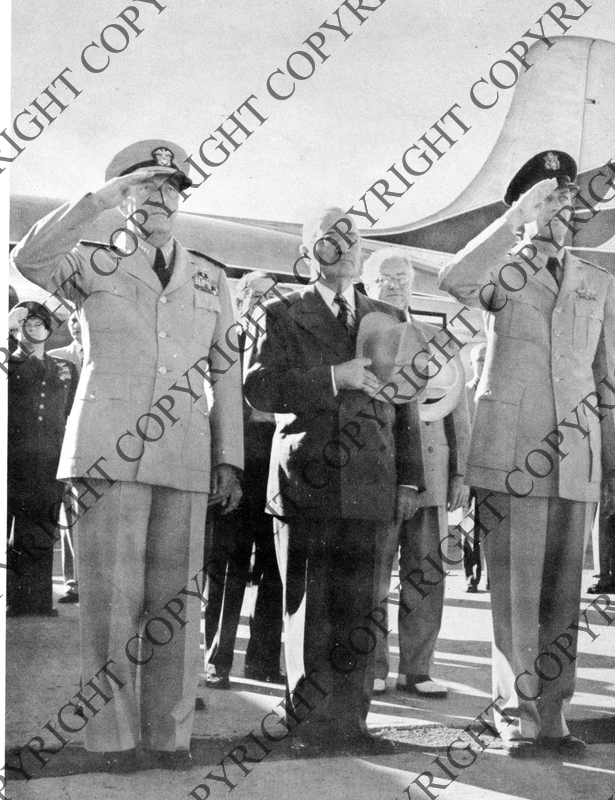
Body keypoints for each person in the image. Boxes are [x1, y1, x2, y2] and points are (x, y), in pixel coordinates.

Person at [11, 139, 244, 771]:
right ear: (121, 196)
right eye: (145, 187)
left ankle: (169, 738)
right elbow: (30, 257)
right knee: (111, 604)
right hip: (107, 453)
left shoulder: (209, 275)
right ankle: (111, 741)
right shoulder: (89, 260)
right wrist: (100, 200)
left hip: (187, 452)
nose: (161, 198)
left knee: (177, 604)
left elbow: (226, 369)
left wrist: (231, 457)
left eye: (172, 189)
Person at [439, 150, 615, 757]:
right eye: (551, 199)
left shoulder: (597, 281)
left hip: (576, 460)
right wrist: (513, 219)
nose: (567, 209)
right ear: (526, 210)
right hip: (513, 458)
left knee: (565, 593)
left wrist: (610, 466)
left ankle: (555, 713)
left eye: (569, 199)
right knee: (515, 590)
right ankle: (516, 713)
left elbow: (607, 380)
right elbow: (455, 281)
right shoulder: (503, 271)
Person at [244, 207, 425, 753]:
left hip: (373, 481)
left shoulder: (388, 314)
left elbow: (407, 404)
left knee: (361, 610)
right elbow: (259, 388)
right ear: (309, 253)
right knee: (310, 611)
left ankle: (353, 724)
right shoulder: (281, 314)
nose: (344, 247)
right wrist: (331, 378)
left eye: (353, 238)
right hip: (308, 482)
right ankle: (308, 725)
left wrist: (410, 481)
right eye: (330, 239)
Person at [363, 248, 470, 697]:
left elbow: (459, 406)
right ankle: (373, 666)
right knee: (372, 574)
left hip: (433, 466)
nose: (395, 284)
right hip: (376, 470)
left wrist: (461, 474)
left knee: (426, 571)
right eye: (385, 278)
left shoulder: (434, 333)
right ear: (368, 285)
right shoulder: (359, 331)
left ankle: (418, 667)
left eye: (402, 277)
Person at [204, 271, 283, 689]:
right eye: (254, 294)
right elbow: (216, 406)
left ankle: (264, 661)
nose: (263, 302)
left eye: (271, 295)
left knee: (275, 566)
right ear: (240, 299)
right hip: (238, 462)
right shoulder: (225, 344)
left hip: (279, 463)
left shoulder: (287, 345)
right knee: (226, 566)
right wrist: (226, 466)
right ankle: (218, 661)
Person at [7, 302, 78, 616]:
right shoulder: (10, 363)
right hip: (15, 457)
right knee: (15, 529)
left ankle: (38, 601)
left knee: (44, 526)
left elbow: (72, 412)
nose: (33, 330)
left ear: (50, 329)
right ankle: (15, 598)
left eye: (39, 325)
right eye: (26, 325)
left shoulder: (64, 368)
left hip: (51, 457)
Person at [49, 308, 84, 604]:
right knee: (69, 513)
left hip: (107, 443)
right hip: (65, 442)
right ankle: (73, 583)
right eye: (71, 319)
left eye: (80, 318)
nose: (75, 324)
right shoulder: (57, 356)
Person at [463, 343, 488, 593]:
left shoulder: (499, 393)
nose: (483, 362)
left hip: (494, 473)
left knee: (497, 526)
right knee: (470, 528)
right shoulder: (463, 394)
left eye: (487, 358)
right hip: (469, 473)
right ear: (471, 364)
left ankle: (495, 577)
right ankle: (471, 576)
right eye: (479, 359)